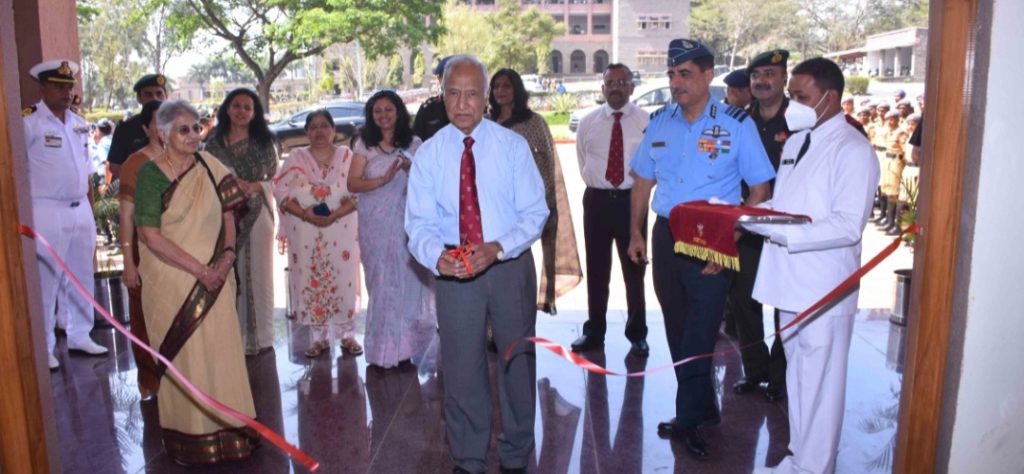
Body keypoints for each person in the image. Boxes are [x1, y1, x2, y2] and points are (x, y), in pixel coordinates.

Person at [627, 39, 775, 459]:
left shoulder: (735, 124)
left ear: (709, 75)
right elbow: (642, 182)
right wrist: (636, 233)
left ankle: (688, 419)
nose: (676, 82)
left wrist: (729, 241)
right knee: (677, 329)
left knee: (699, 333)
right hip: (666, 235)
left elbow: (760, 191)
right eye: (672, 75)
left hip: (712, 241)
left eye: (685, 74)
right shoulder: (660, 122)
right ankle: (704, 407)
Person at [405, 55, 548, 474]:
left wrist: (498, 247)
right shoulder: (429, 154)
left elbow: (535, 213)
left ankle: (516, 452)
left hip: (508, 263)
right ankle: (469, 457)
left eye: (472, 94)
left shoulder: (512, 147)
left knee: (516, 360)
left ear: (486, 96)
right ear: (442, 95)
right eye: (454, 93)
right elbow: (418, 223)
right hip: (454, 267)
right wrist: (437, 256)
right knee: (462, 367)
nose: (462, 103)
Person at [744, 57, 879, 474]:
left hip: (824, 286)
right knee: (799, 381)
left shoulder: (853, 149)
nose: (793, 105)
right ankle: (799, 457)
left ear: (830, 97)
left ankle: (816, 467)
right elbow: (787, 203)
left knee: (822, 386)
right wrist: (747, 214)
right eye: (792, 96)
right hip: (789, 283)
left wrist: (782, 231)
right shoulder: (797, 142)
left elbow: (847, 225)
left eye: (801, 97)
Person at [134, 99, 257, 464]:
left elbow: (229, 214)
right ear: (163, 134)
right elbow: (149, 235)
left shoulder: (211, 166)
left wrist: (228, 256)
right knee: (186, 358)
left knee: (222, 352)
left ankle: (232, 432)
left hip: (217, 276)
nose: (192, 135)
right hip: (173, 281)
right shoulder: (151, 175)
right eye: (182, 130)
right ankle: (191, 439)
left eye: (196, 128)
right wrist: (201, 270)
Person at [23, 59, 109, 371]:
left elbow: (86, 169)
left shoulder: (79, 123)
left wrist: (90, 209)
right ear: (43, 87)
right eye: (59, 87)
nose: (66, 92)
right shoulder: (29, 122)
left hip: (80, 207)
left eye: (69, 86)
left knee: (81, 273)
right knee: (46, 279)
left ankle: (80, 334)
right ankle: (44, 345)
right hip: (46, 208)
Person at [347, 90, 437, 368]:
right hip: (374, 221)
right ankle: (381, 350)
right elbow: (352, 183)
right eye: (377, 111)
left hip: (406, 220)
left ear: (398, 112)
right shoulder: (364, 144)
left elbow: (429, 182)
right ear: (371, 115)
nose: (383, 115)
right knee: (381, 282)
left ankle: (404, 348)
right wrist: (381, 181)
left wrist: (411, 168)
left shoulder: (414, 143)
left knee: (405, 282)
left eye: (388, 109)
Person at [570, 63, 649, 357]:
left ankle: (637, 334)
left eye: (621, 82)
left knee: (635, 269)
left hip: (633, 201)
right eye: (610, 83)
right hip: (598, 201)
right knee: (597, 268)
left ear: (632, 87)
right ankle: (594, 331)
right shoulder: (588, 122)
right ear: (602, 88)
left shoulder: (646, 121)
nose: (615, 87)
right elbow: (582, 161)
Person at [488, 68, 582, 314]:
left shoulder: (534, 123)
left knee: (517, 266)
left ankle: (518, 316)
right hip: (492, 208)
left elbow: (547, 165)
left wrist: (539, 200)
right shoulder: (485, 123)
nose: (500, 91)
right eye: (496, 86)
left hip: (523, 208)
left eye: (506, 86)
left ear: (517, 90)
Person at [272, 109, 362, 358]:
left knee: (344, 279)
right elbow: (280, 191)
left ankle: (347, 335)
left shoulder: (347, 157)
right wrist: (304, 214)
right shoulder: (296, 158)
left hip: (342, 229)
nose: (319, 131)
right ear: (306, 132)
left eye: (324, 126)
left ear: (333, 131)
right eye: (313, 127)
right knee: (309, 278)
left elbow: (357, 192)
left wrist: (335, 214)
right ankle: (318, 338)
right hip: (306, 232)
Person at [730, 48, 792, 402]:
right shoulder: (739, 121)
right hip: (748, 224)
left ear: (784, 78)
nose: (762, 81)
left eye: (770, 74)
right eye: (756, 75)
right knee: (743, 301)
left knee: (785, 301)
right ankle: (755, 371)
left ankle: (780, 375)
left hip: (785, 225)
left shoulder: (799, 121)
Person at [205, 88, 278, 355]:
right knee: (230, 273)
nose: (241, 111)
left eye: (248, 107)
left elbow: (277, 179)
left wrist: (256, 186)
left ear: (255, 113)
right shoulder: (214, 145)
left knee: (259, 274)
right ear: (227, 108)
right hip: (225, 216)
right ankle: (234, 336)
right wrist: (232, 187)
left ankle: (261, 337)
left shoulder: (264, 144)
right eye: (236, 105)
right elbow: (206, 178)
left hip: (258, 214)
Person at [117, 99, 164, 398]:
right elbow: (126, 215)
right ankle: (150, 381)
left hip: (179, 250)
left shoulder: (188, 159)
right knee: (145, 316)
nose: (166, 127)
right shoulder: (136, 163)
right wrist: (128, 262)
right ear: (146, 128)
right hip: (144, 249)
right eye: (160, 121)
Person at [106, 73, 168, 179]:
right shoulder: (125, 129)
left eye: (159, 94)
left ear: (166, 96)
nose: (155, 98)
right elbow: (115, 166)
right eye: (148, 94)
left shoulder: (177, 126)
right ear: (139, 98)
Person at [875, 110, 908, 235]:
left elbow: (904, 151)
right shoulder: (889, 131)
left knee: (893, 192)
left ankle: (895, 224)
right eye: (888, 119)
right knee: (886, 190)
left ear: (897, 119)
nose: (890, 121)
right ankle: (888, 220)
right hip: (887, 161)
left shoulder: (900, 133)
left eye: (892, 119)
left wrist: (901, 162)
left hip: (895, 162)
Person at [412, 56, 452, 141]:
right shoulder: (428, 109)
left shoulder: (472, 107)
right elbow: (417, 141)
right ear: (439, 79)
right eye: (448, 76)